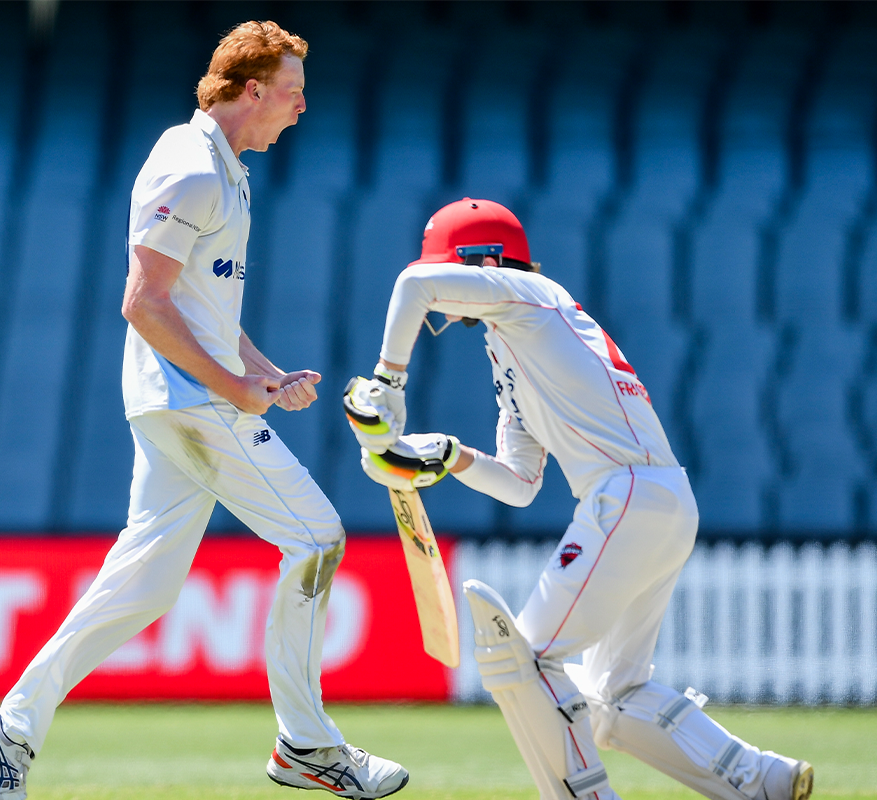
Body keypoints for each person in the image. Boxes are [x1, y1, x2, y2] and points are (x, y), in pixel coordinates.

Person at [0, 21, 408, 800]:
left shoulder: (222, 170)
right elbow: (144, 301)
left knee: (145, 584)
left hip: (183, 398)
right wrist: (235, 390)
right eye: (293, 94)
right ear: (253, 89)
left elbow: (201, 306)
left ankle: (11, 729)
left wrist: (263, 371)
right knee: (317, 537)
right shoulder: (195, 168)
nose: (302, 110)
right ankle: (306, 745)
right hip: (191, 401)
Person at [344, 198, 814, 800]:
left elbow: (415, 283)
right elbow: (519, 483)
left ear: (483, 263)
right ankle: (764, 780)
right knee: (615, 698)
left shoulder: (530, 296)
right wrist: (445, 456)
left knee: (528, 661)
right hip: (664, 500)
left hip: (624, 497)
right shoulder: (513, 344)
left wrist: (387, 382)